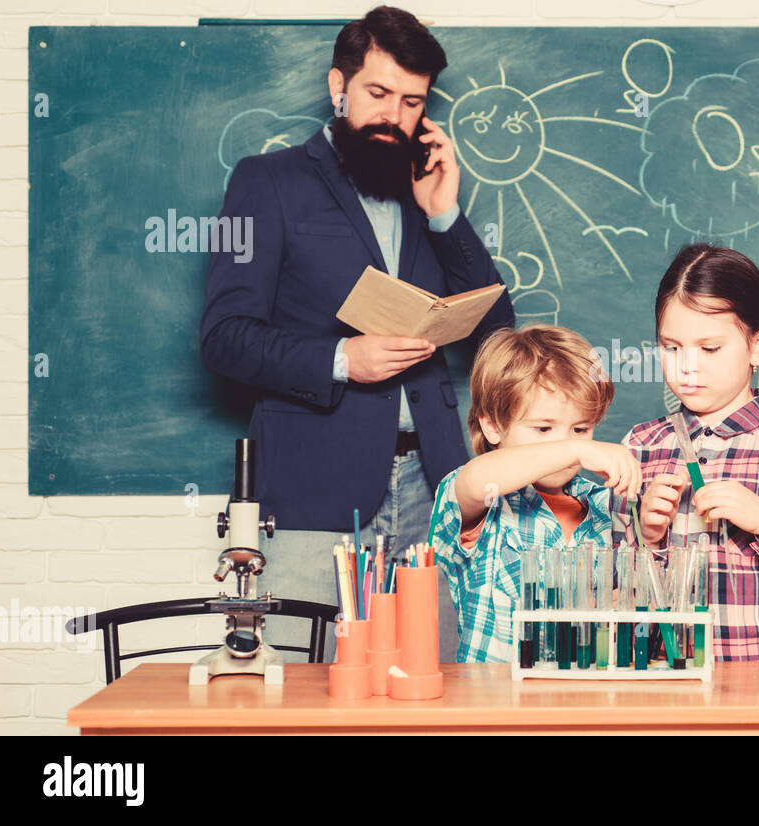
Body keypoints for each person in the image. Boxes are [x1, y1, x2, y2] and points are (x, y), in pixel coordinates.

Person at [199, 7, 514, 661]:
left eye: (411, 102)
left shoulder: (423, 192)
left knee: (432, 688)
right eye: (377, 94)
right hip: (315, 484)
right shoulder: (267, 183)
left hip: (432, 487)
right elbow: (224, 336)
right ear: (339, 85)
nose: (392, 117)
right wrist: (342, 358)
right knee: (305, 687)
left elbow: (498, 339)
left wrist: (447, 215)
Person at [615, 243, 759, 661]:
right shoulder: (640, 448)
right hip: (668, 694)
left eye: (709, 348)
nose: (687, 367)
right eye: (671, 347)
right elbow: (608, 595)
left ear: (758, 346)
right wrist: (644, 537)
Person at [431, 325, 640, 662]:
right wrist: (574, 448)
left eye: (580, 429)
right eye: (543, 428)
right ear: (493, 426)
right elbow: (476, 478)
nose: (566, 443)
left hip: (585, 704)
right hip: (496, 708)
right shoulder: (486, 501)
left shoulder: (605, 506)